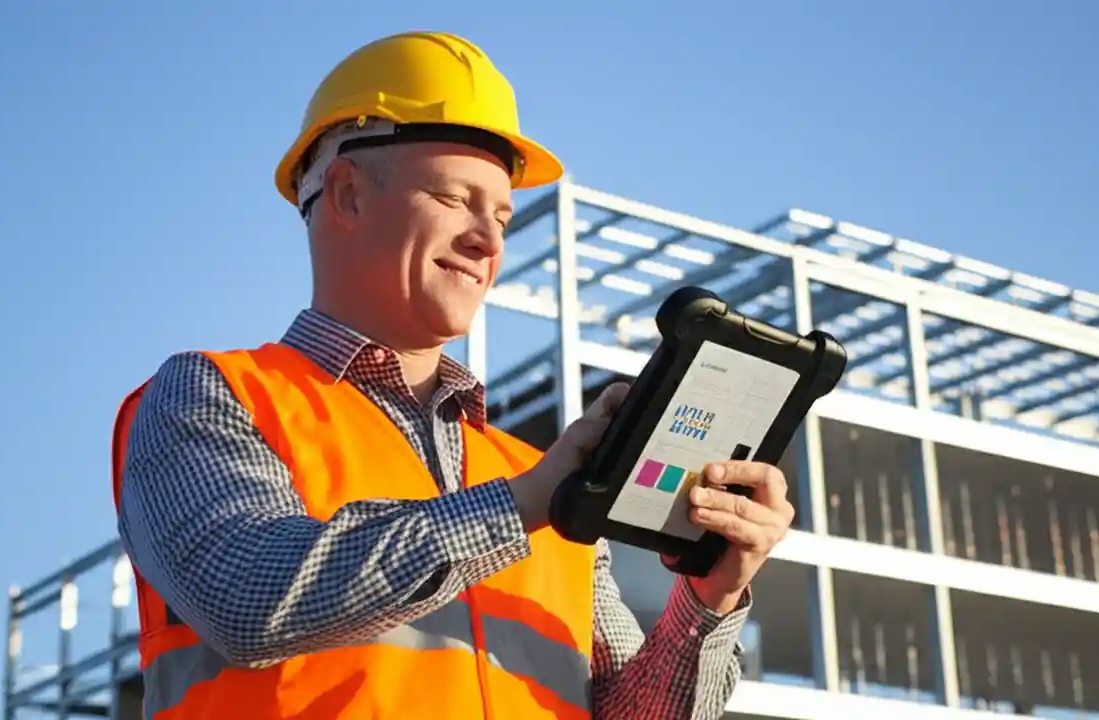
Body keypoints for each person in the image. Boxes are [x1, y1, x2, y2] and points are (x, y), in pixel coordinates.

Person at [111, 30, 795, 720]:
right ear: (347, 193)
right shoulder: (214, 398)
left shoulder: (540, 483)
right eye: (453, 199)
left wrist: (711, 598)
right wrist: (523, 503)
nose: (490, 240)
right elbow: (250, 599)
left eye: (501, 214)